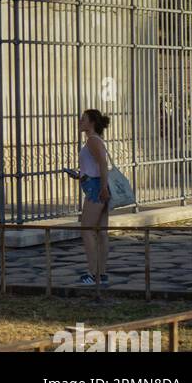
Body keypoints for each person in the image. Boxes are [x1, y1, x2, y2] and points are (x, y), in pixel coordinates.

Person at [68, 109, 112, 286]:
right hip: (96, 185)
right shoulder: (95, 140)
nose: (80, 122)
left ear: (92, 122)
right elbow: (95, 166)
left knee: (87, 230)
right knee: (101, 232)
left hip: (96, 188)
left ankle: (93, 273)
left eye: (83, 119)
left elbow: (102, 163)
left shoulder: (93, 140)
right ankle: (102, 273)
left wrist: (102, 187)